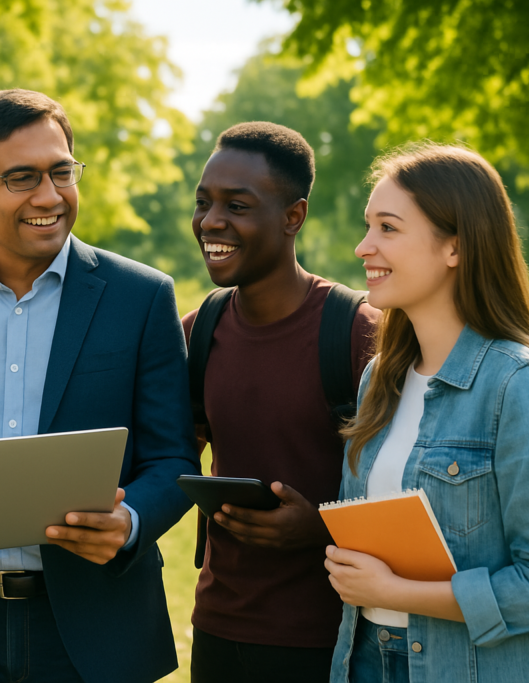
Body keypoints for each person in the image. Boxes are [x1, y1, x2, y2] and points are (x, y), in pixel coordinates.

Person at [0, 89, 198, 683]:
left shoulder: (142, 297)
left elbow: (173, 457)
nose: (50, 196)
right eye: (22, 177)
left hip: (103, 628)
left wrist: (128, 521)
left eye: (62, 172)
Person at [181, 122, 380, 683]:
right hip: (217, 629)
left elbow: (417, 492)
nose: (211, 221)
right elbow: (166, 456)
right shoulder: (199, 331)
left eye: (237, 205)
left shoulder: (360, 332)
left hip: (333, 638)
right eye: (204, 202)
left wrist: (320, 527)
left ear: (293, 216)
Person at [325, 143, 529, 682]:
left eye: (388, 228)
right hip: (363, 657)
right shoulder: (379, 379)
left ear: (455, 247)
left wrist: (394, 593)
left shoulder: (516, 385)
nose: (362, 247)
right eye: (368, 227)